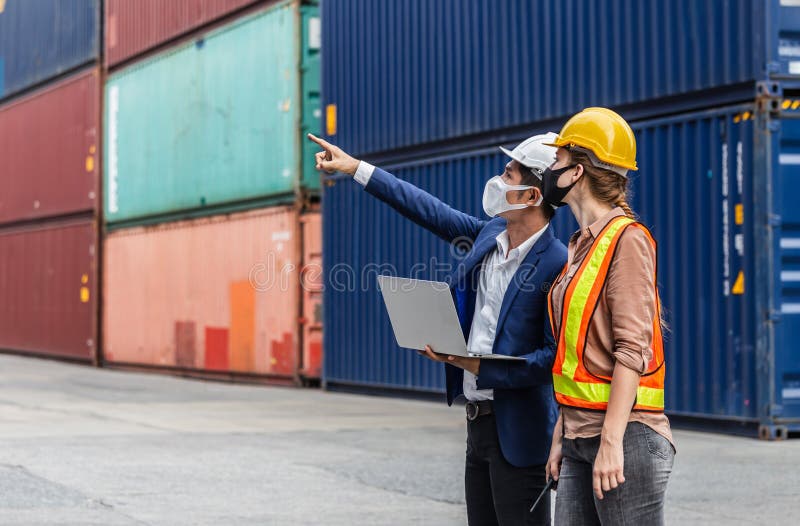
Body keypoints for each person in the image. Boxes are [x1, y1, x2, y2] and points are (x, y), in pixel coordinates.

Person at [308, 132, 567, 525]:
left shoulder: (558, 262)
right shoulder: (487, 237)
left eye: (508, 172)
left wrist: (477, 365)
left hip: (520, 434)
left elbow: (551, 358)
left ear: (531, 195)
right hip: (477, 425)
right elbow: (424, 208)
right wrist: (355, 167)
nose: (498, 180)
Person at [540, 107, 675, 525]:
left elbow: (632, 349)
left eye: (558, 160)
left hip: (627, 436)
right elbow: (575, 353)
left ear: (578, 171)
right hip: (580, 436)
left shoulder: (628, 240)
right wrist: (562, 434)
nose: (551, 169)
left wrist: (612, 441)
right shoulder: (579, 246)